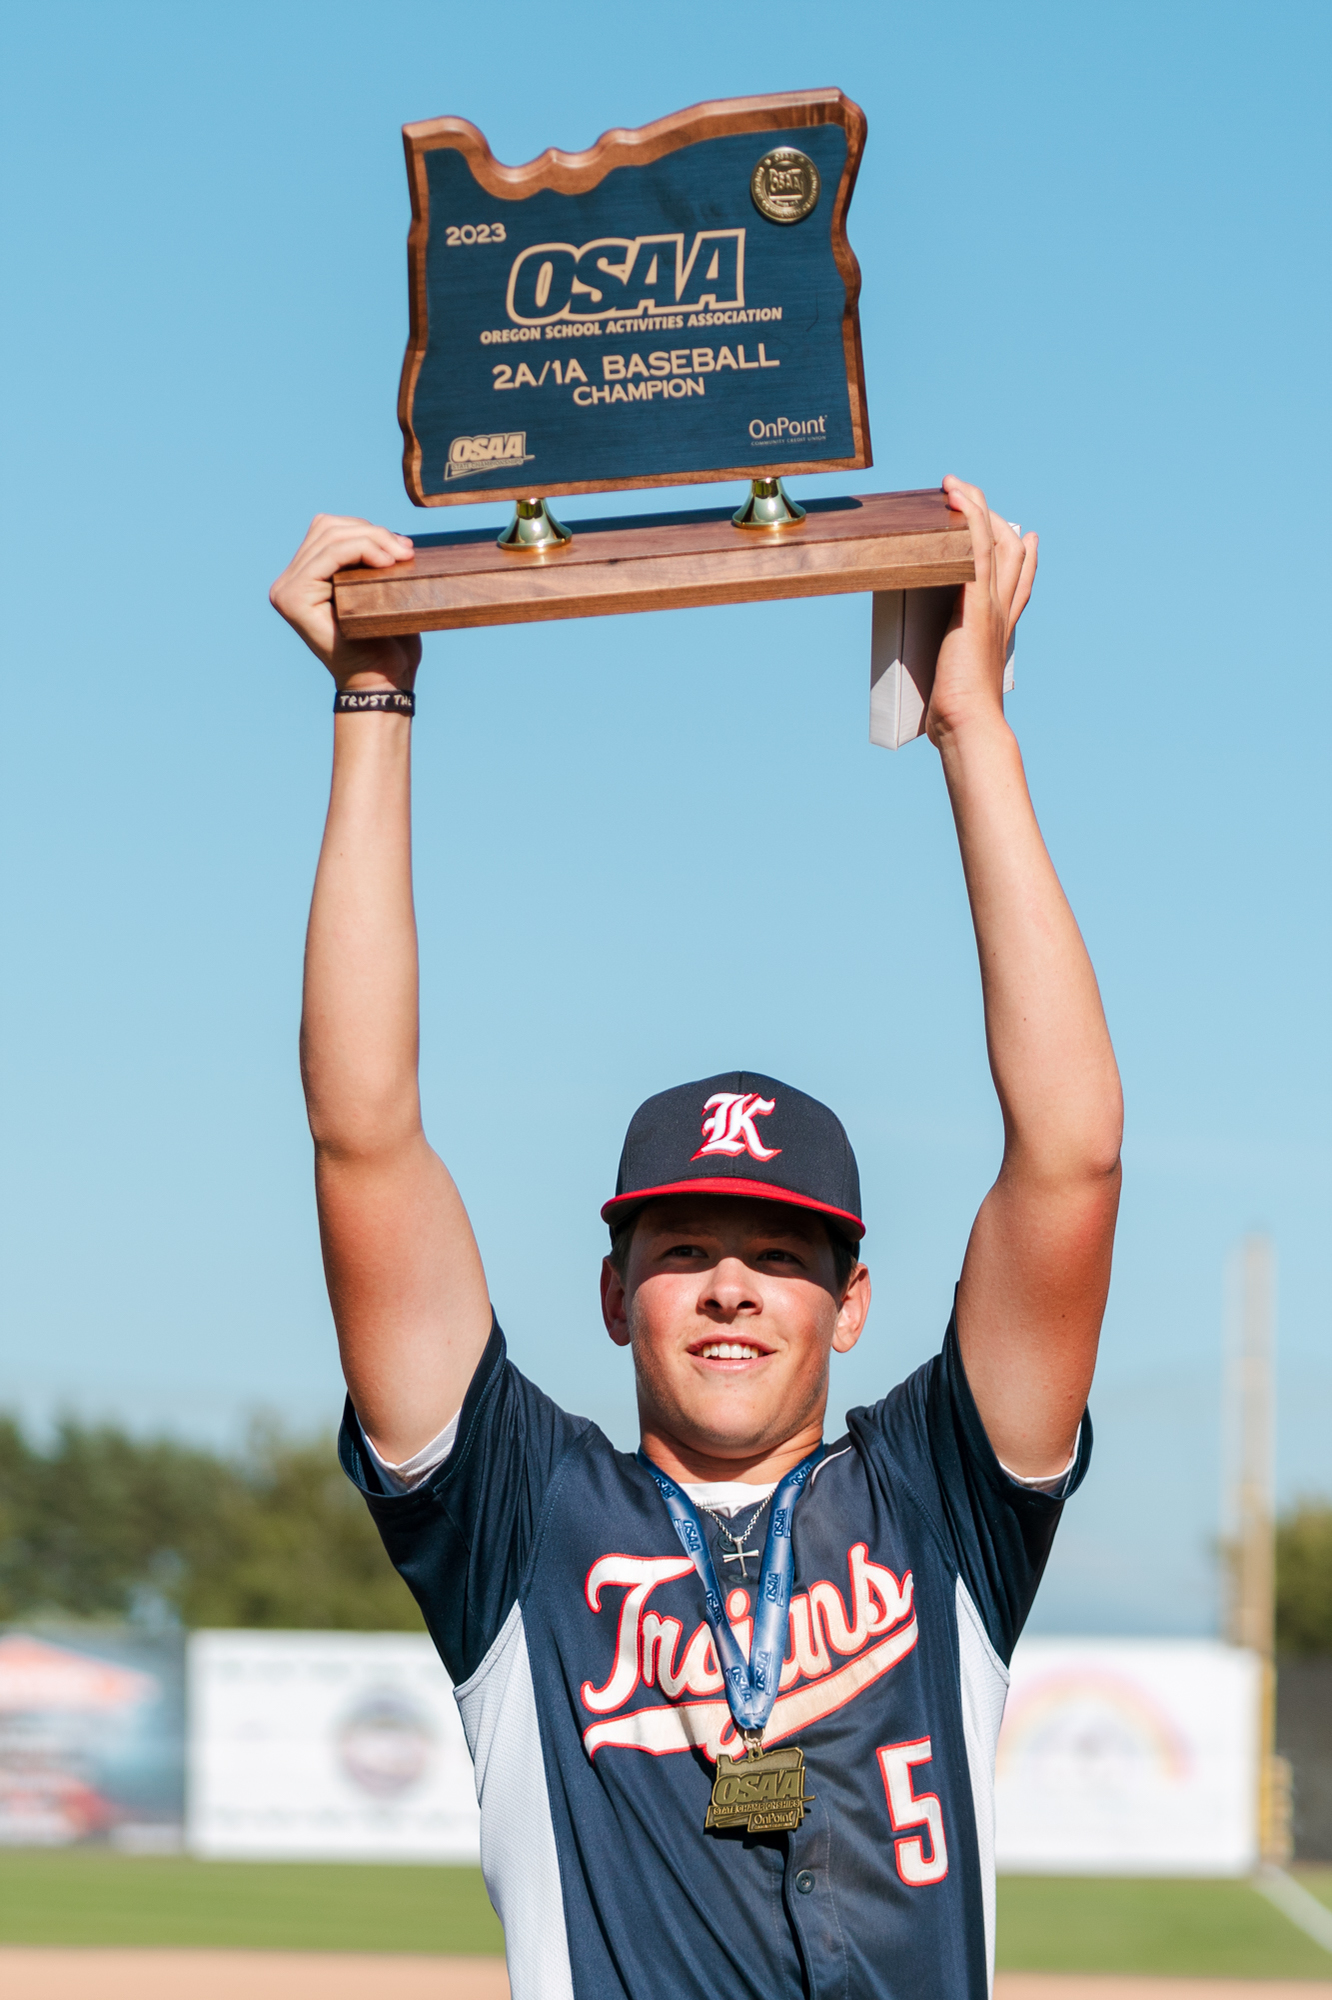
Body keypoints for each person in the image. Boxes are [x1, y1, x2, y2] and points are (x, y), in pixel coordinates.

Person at [270, 478, 1122, 2000]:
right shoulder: (519, 1524)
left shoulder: (940, 1505)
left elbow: (1071, 1158)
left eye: (783, 1255)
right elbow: (363, 1136)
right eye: (682, 1251)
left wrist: (972, 727)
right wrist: (372, 704)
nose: (732, 1285)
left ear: (854, 1302)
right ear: (613, 1294)